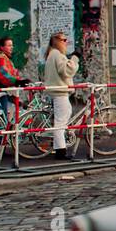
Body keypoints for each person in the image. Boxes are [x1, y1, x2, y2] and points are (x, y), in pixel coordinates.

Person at [44, 30, 80, 159]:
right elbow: (66, 71)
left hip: (57, 91)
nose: (66, 43)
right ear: (58, 41)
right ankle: (60, 151)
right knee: (61, 122)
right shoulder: (57, 54)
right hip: (60, 92)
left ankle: (59, 148)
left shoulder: (51, 54)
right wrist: (75, 59)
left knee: (61, 119)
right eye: (64, 40)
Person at [0, 36, 26, 124]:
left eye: (12, 45)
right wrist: (17, 82)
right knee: (0, 118)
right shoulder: (1, 57)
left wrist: (18, 80)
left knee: (2, 116)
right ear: (2, 47)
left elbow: (10, 73)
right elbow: (3, 74)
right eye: (9, 45)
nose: (12, 47)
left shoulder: (4, 58)